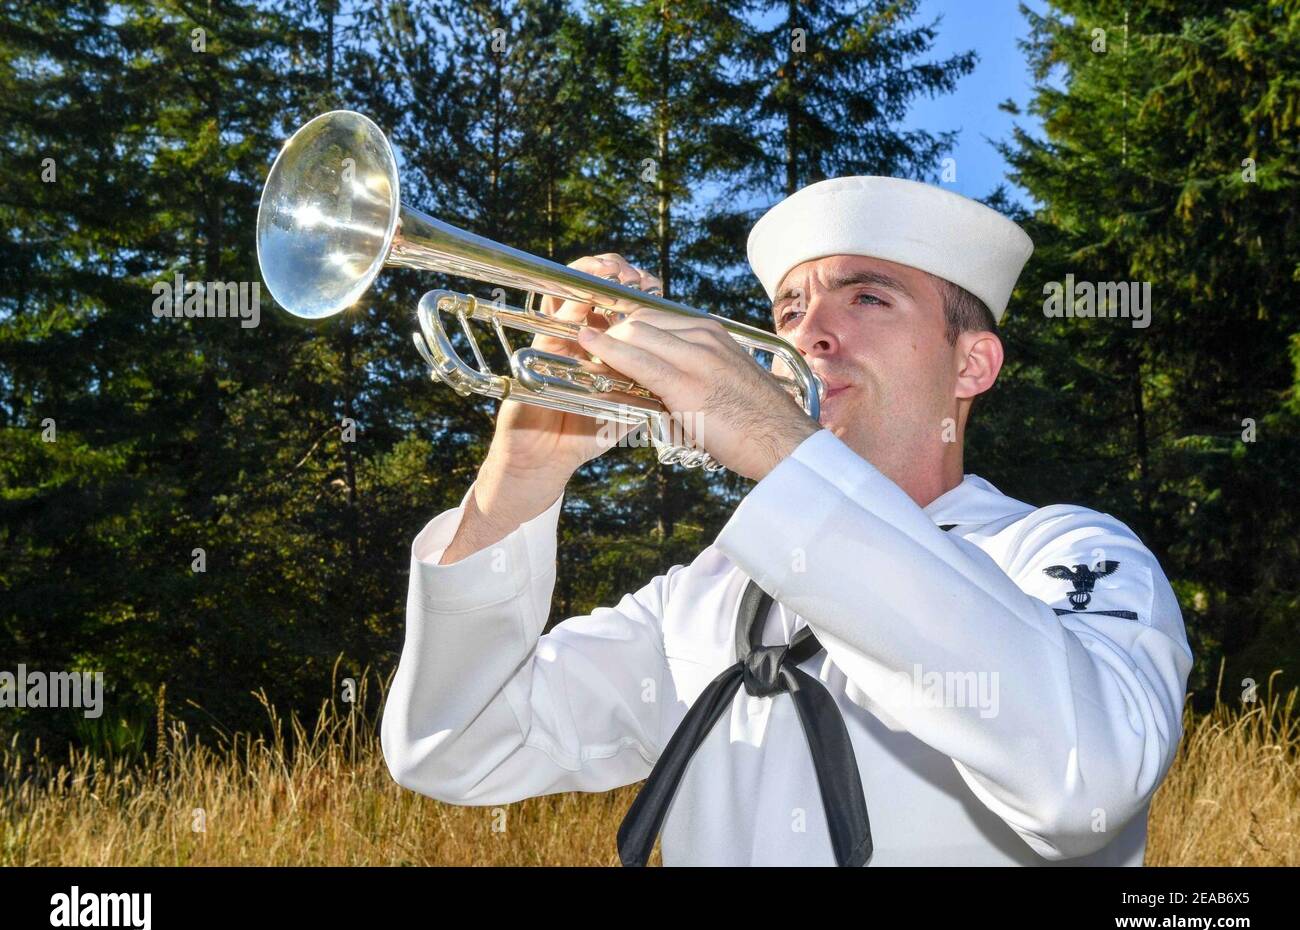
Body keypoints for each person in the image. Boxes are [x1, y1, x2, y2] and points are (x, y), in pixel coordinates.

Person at [379, 176, 1193, 866]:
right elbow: (455, 744)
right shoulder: (701, 598)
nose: (811, 335)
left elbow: (1089, 780)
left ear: (972, 364)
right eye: (790, 309)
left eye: (868, 297)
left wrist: (781, 447)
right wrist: (519, 478)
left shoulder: (1065, 551)